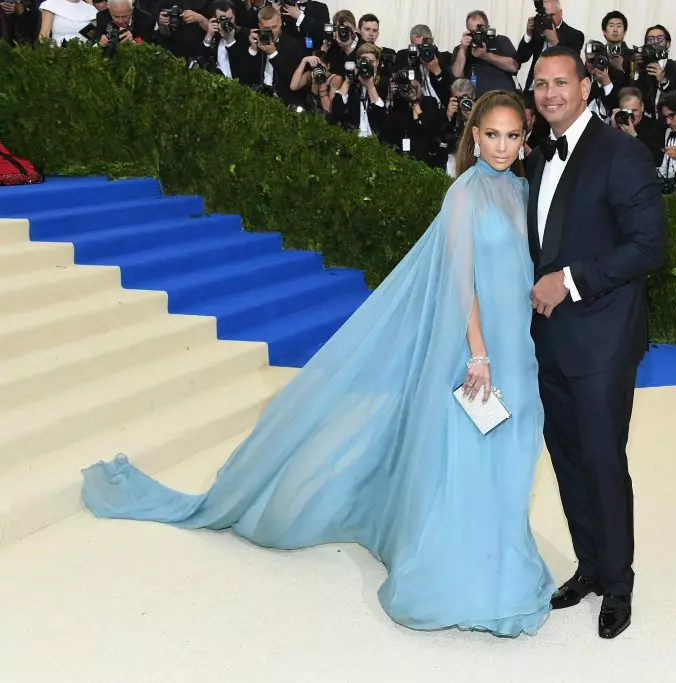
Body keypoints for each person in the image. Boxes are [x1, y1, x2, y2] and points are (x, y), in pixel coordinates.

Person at [80, 91, 556, 638]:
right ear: (473, 136)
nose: (500, 146)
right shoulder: (464, 195)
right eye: (490, 135)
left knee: (511, 452)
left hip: (518, 345)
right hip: (478, 348)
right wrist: (477, 352)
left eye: (512, 136)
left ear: (525, 140)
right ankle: (458, 573)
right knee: (466, 457)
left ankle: (501, 556)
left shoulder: (520, 190)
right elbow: (460, 279)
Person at [526, 46, 666, 640]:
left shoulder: (621, 152)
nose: (551, 92)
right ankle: (588, 564)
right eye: (540, 83)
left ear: (586, 87)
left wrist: (572, 281)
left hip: (604, 339)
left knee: (604, 461)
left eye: (562, 82)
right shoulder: (534, 158)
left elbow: (647, 246)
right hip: (550, 341)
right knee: (567, 460)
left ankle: (618, 582)